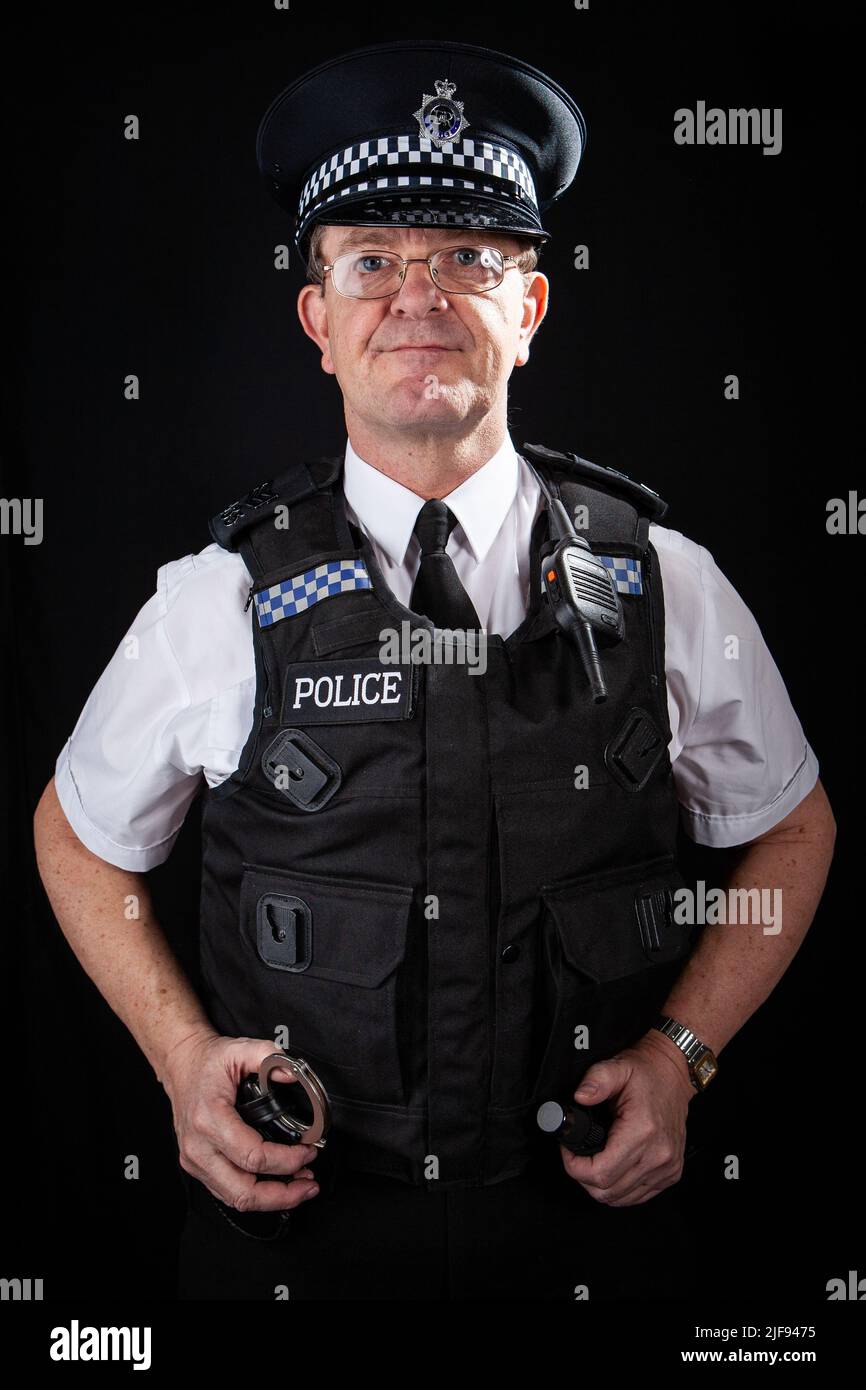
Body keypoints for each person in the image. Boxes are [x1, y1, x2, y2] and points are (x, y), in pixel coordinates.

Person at [33, 40, 835, 1301]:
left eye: (469, 259)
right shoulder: (221, 598)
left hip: (591, 1243)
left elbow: (790, 831)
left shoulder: (664, 579)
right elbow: (77, 840)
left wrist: (682, 1057)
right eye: (372, 265)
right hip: (296, 1252)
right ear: (319, 321)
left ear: (529, 308)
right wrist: (184, 1058)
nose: (419, 297)